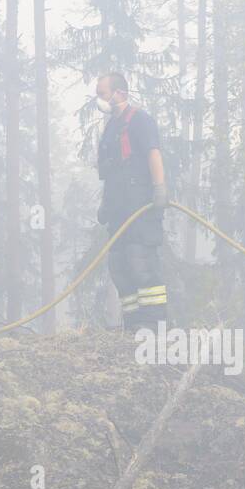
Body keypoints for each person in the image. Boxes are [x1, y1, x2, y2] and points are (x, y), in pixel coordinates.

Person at [95, 72, 169, 330]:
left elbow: (153, 152)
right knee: (120, 267)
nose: (100, 99)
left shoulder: (140, 121)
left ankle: (153, 327)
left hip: (140, 208)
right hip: (118, 211)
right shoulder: (110, 129)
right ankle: (134, 326)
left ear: (120, 94)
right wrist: (105, 205)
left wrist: (159, 187)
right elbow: (111, 172)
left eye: (103, 94)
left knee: (141, 263)